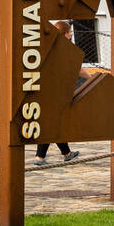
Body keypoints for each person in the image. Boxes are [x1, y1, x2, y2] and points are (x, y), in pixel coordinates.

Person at [32, 21, 82, 167]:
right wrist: (92, 77)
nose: (71, 34)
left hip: (44, 88)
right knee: (52, 123)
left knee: (54, 122)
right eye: (70, 32)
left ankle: (66, 154)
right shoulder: (62, 48)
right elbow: (76, 69)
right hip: (54, 90)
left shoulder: (47, 45)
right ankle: (39, 158)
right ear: (64, 33)